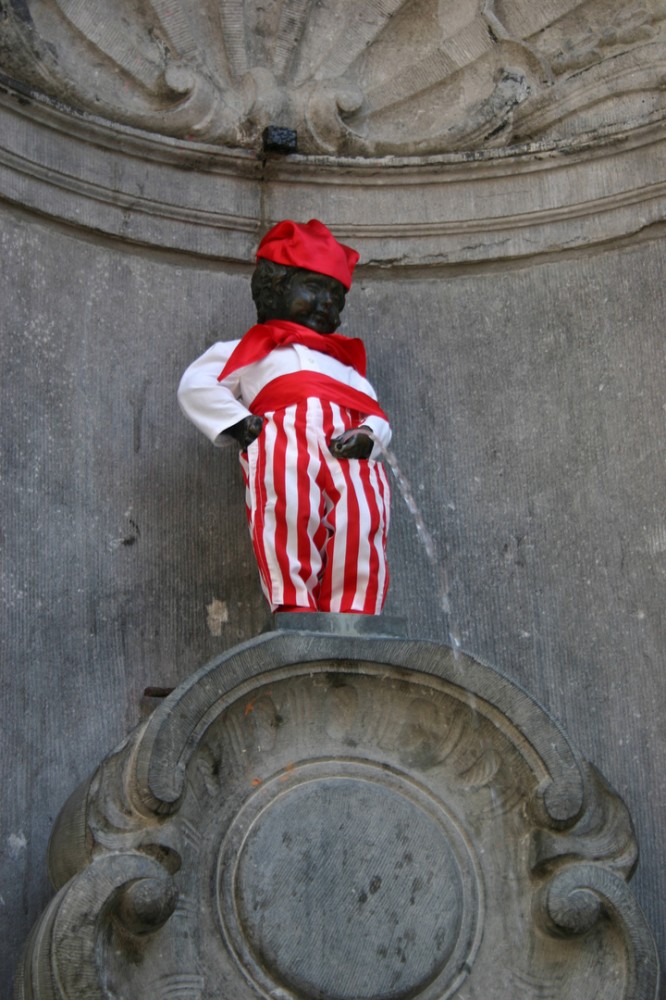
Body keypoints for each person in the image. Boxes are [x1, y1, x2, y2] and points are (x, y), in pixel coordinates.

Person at [178, 218, 391, 614]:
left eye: (336, 297)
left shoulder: (345, 366)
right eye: (314, 288)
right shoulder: (251, 349)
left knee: (362, 521)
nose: (328, 303)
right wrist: (239, 424)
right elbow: (196, 383)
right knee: (287, 516)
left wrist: (368, 434)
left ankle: (357, 611)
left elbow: (375, 412)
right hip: (283, 447)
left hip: (350, 460)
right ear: (275, 288)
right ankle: (294, 607)